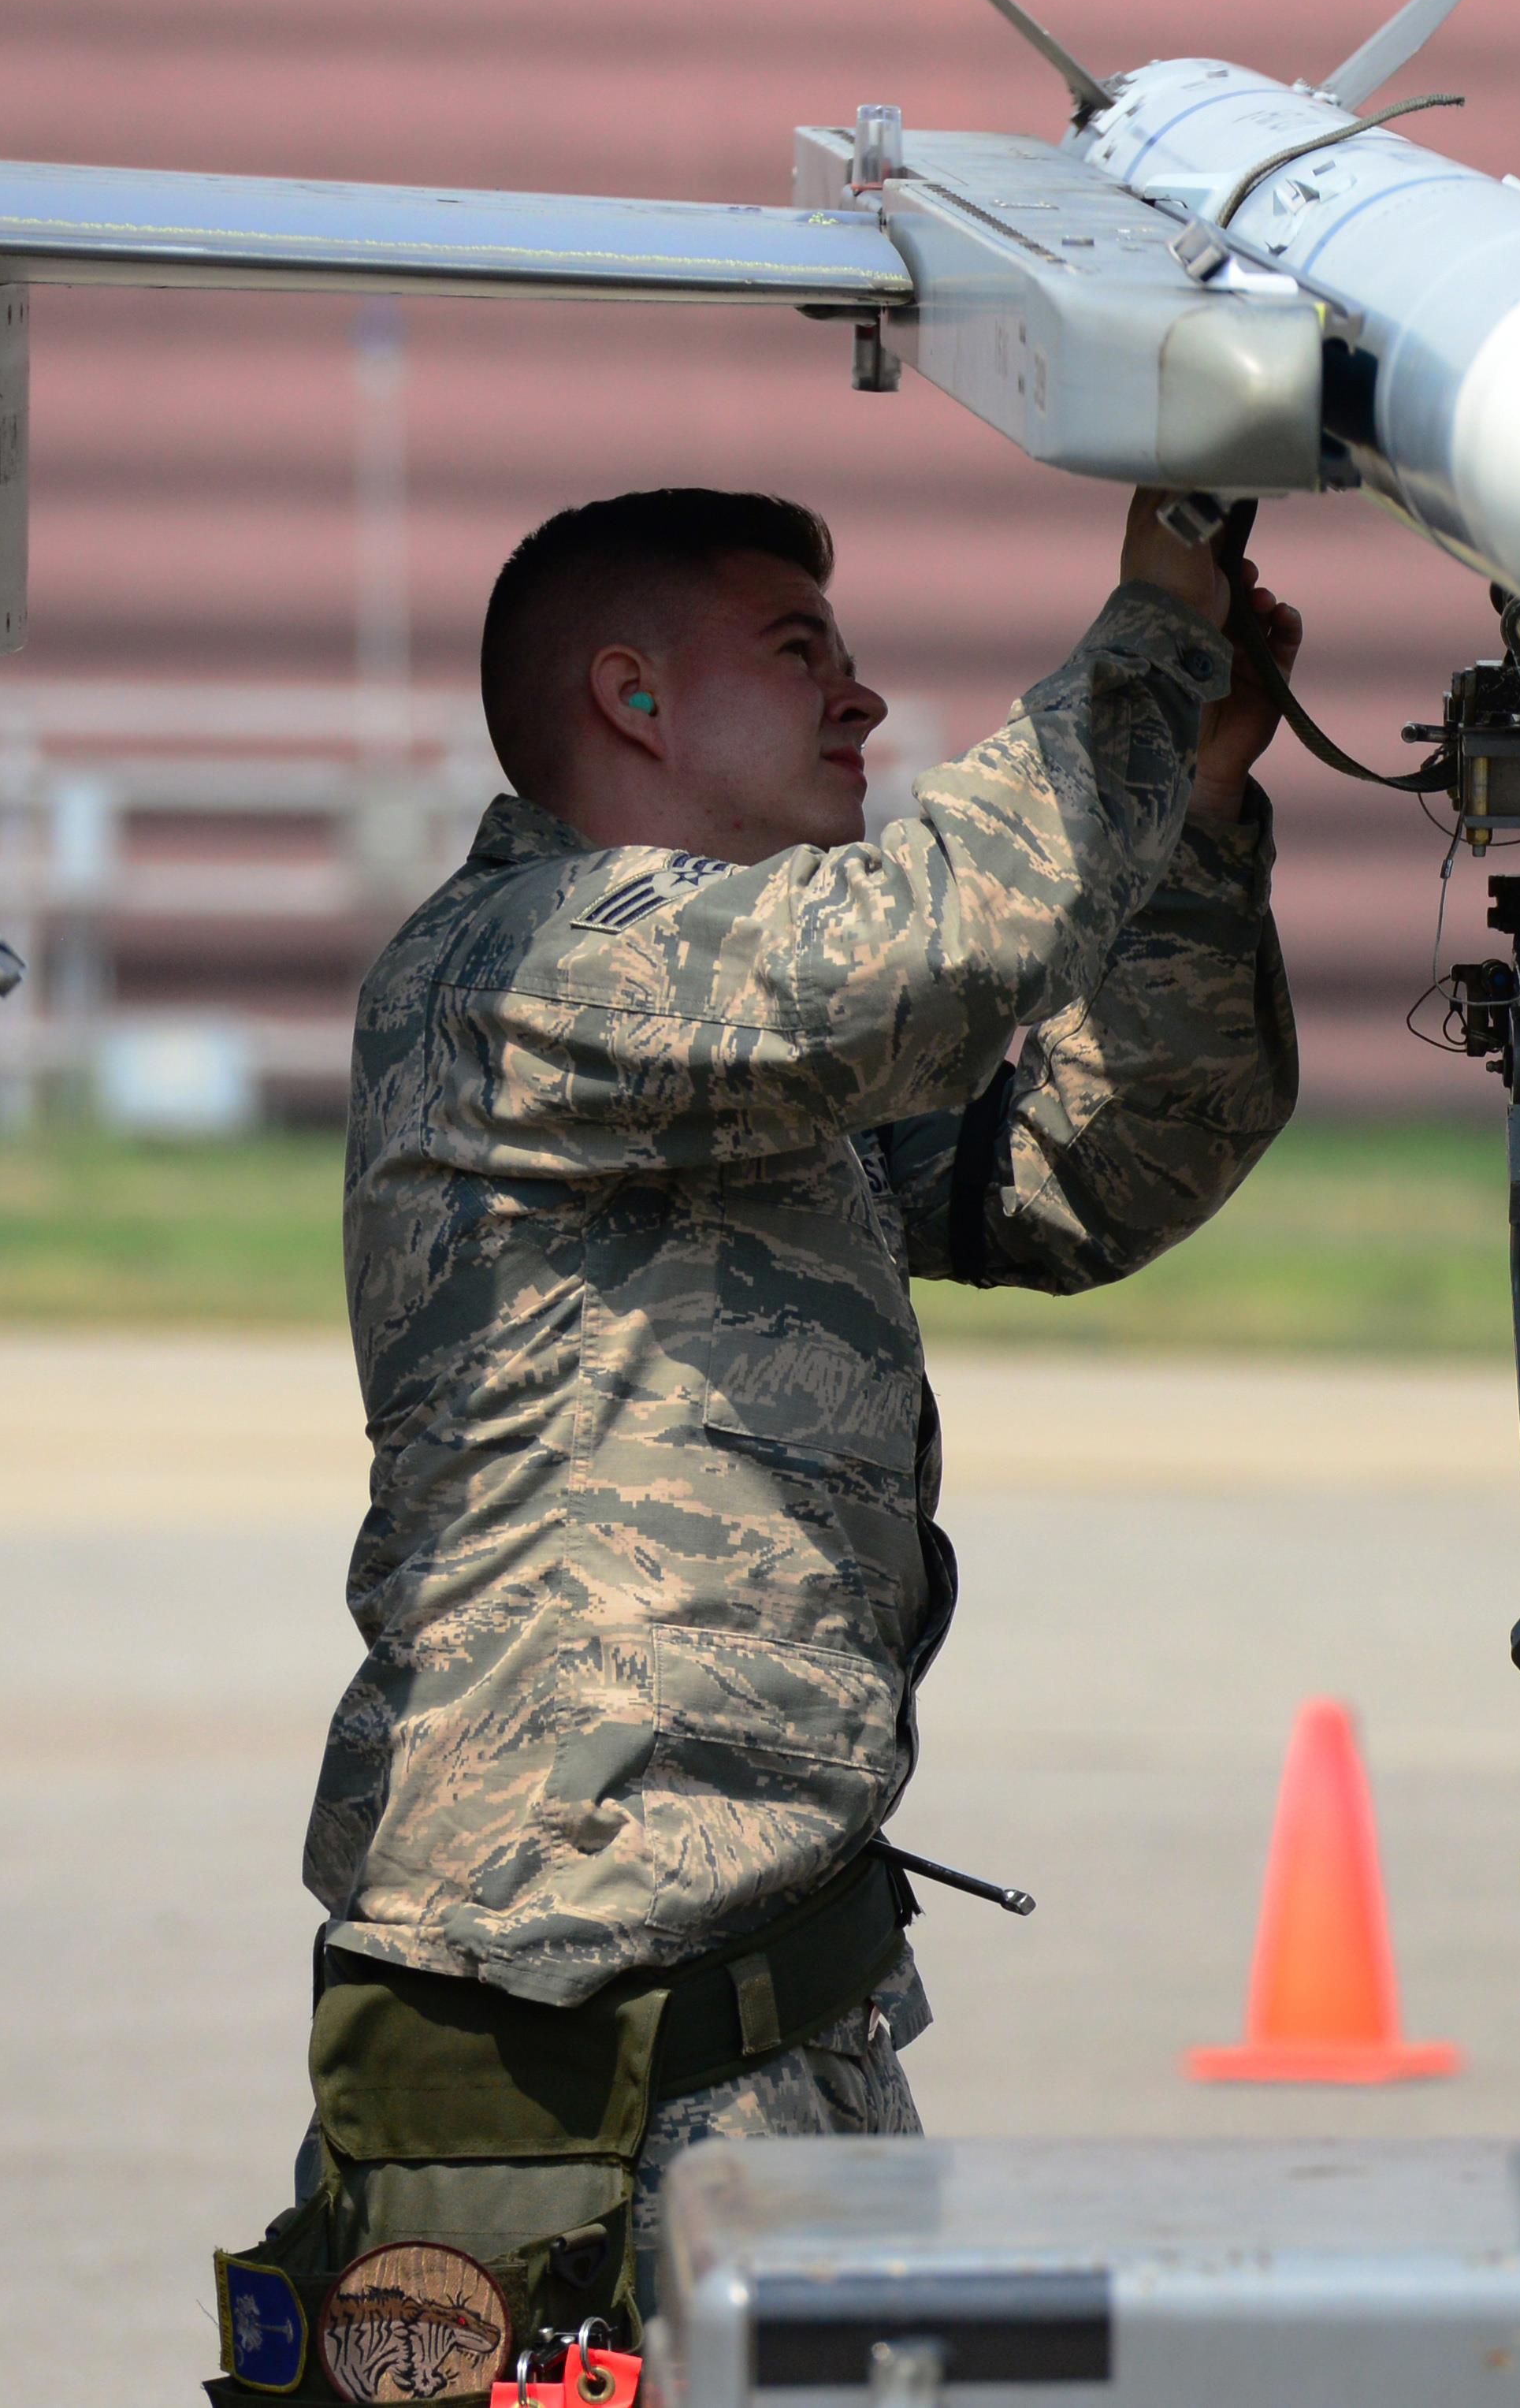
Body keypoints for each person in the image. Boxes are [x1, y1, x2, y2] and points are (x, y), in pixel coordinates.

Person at [211, 486, 1297, 2400]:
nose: (862, 699)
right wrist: (1152, 619)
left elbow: (1104, 1167)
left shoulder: (734, 1041)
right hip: (561, 2038)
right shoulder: (531, 963)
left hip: (775, 2007)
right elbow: (934, 950)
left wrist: (1194, 812)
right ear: (627, 695)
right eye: (800, 650)